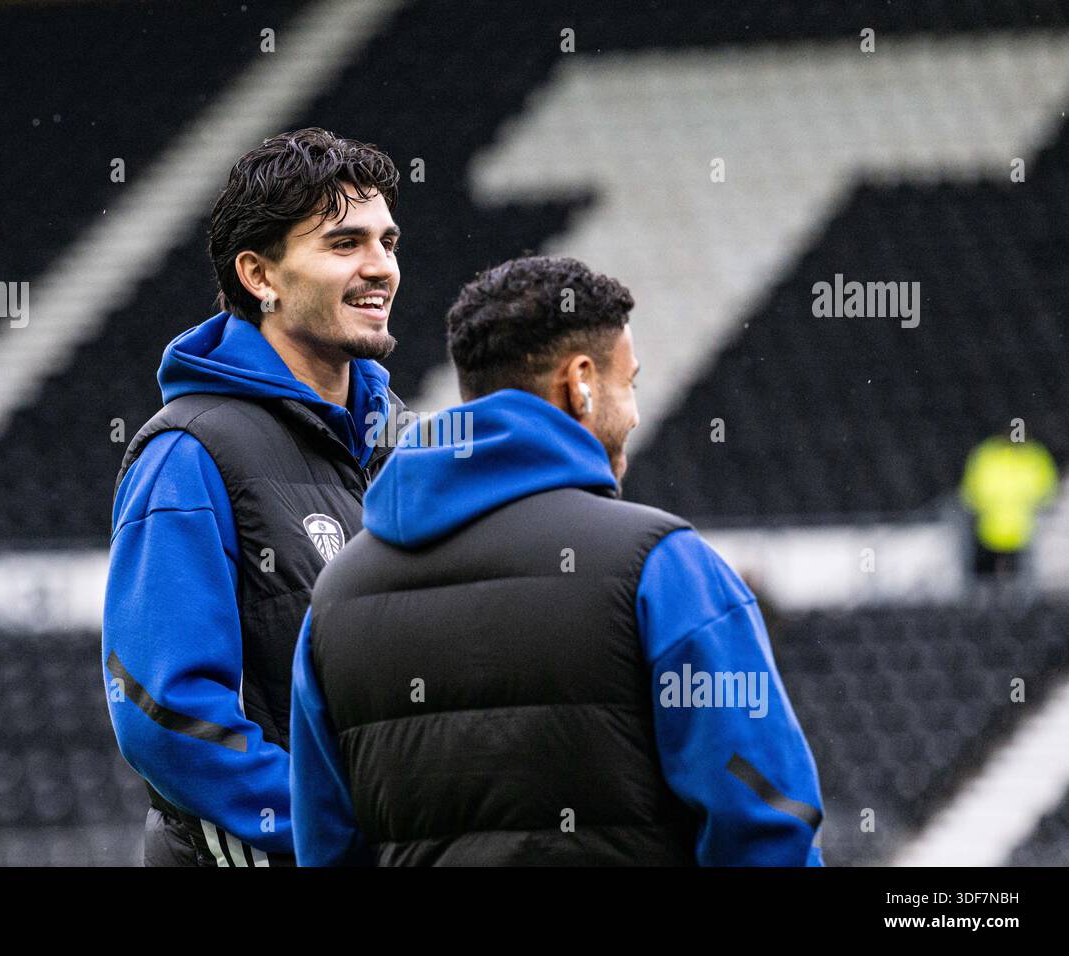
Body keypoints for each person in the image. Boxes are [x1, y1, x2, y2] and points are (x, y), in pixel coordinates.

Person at [289, 256, 824, 866]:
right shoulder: (665, 568)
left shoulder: (334, 601)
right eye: (631, 384)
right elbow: (766, 820)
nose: (637, 413)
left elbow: (326, 849)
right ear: (581, 382)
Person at [102, 128, 405, 866]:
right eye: (344, 244)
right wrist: (336, 831)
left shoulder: (401, 449)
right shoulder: (187, 454)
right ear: (259, 276)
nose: (381, 268)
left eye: (388, 241)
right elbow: (163, 713)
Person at [960, 433, 1058, 577]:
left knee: (999, 577)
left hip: (1001, 530)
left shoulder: (986, 454)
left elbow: (971, 495)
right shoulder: (1033, 454)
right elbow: (1047, 491)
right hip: (1015, 530)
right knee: (1017, 577)